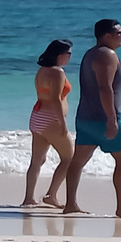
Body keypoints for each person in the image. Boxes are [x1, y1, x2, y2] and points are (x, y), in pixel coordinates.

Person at [63, 19, 121, 218]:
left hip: (85, 117)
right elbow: (105, 88)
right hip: (102, 118)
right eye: (120, 33)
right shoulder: (106, 55)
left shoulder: (90, 53)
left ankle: (71, 204)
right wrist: (112, 119)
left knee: (78, 161)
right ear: (107, 35)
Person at [21, 39, 74, 208]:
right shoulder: (58, 72)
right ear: (60, 55)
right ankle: (51, 195)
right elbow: (56, 99)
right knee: (69, 159)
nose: (70, 57)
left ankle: (29, 198)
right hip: (52, 119)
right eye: (69, 54)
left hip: (37, 116)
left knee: (37, 161)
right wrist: (62, 124)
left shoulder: (42, 70)